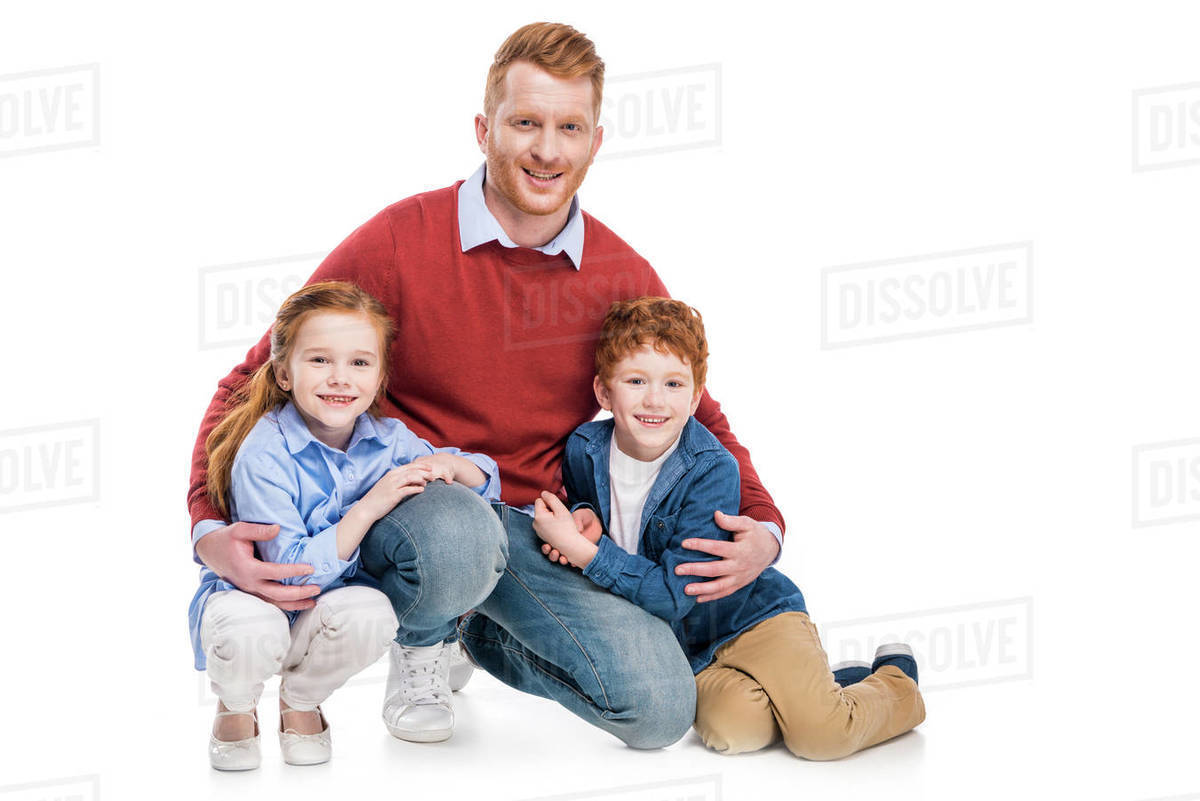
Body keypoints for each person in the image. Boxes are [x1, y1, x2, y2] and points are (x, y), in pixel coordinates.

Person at [187, 22, 785, 748]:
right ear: (484, 129)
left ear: (596, 141)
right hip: (414, 515)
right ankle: (423, 641)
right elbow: (253, 378)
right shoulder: (400, 239)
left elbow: (700, 415)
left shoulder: (619, 273)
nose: (547, 149)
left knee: (660, 709)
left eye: (570, 127)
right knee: (457, 533)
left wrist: (766, 528)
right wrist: (208, 527)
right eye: (525, 122)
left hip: (541, 530)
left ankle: (474, 632)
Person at [531, 297, 927, 759]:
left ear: (696, 397)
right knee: (729, 731)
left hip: (755, 619)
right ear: (604, 392)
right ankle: (822, 687)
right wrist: (586, 517)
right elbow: (591, 505)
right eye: (636, 381)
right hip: (695, 646)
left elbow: (675, 594)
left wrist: (587, 554)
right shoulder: (584, 447)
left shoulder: (710, 468)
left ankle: (894, 680)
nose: (654, 399)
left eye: (674, 384)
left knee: (822, 739)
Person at [190, 281, 503, 769]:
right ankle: (235, 706)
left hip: (323, 609)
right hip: (261, 602)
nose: (340, 378)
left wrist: (450, 465)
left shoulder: (385, 438)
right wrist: (369, 507)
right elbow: (292, 573)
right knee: (249, 629)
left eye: (359, 363)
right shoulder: (264, 451)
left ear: (379, 378)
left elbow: (485, 481)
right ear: (284, 374)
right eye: (319, 360)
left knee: (371, 611)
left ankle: (300, 701)